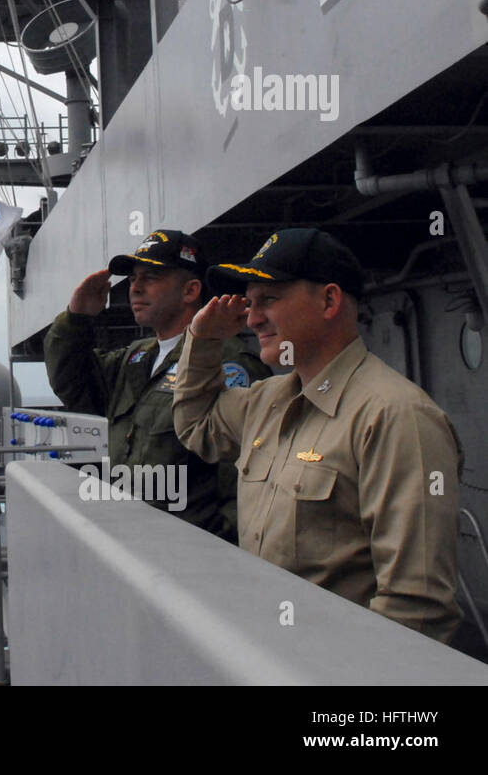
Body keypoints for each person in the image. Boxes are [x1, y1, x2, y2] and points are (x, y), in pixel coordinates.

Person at [173, 227, 463, 643]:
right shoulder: (266, 401)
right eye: (250, 303)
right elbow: (196, 425)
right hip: (263, 651)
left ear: (329, 301)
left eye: (268, 299)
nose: (252, 319)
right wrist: (202, 339)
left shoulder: (395, 416)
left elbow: (415, 608)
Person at [45, 229, 267, 541]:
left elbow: (249, 471)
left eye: (150, 277)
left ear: (190, 291)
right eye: (133, 279)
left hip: (188, 550)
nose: (135, 288)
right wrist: (76, 319)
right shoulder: (137, 357)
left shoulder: (227, 362)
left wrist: (217, 543)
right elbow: (73, 384)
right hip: (129, 539)